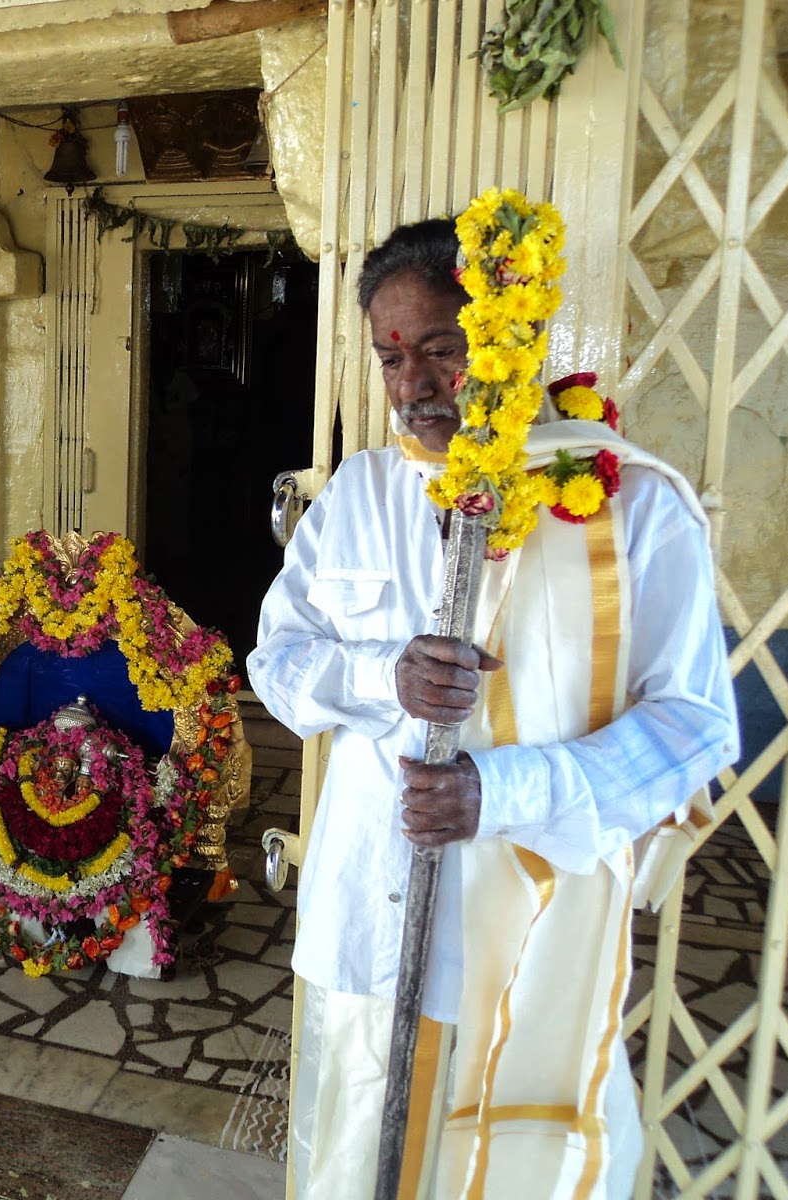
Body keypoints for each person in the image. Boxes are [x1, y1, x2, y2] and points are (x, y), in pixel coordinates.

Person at [246, 219, 739, 1199]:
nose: (412, 384)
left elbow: (695, 723)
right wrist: (381, 675)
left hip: (521, 933)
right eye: (391, 356)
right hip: (365, 929)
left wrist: (501, 790)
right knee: (355, 1166)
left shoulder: (628, 504)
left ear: (512, 344)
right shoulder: (358, 494)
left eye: (440, 348)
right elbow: (278, 660)